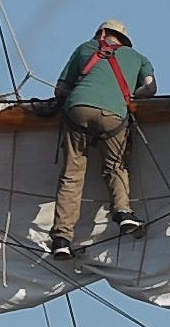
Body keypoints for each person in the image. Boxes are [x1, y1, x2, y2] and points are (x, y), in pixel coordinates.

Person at [45, 18, 154, 257]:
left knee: (72, 175)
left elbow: (60, 89)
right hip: (113, 113)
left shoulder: (84, 48)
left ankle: (62, 238)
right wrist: (127, 95)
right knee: (116, 166)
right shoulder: (138, 57)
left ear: (102, 33)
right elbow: (150, 87)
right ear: (126, 42)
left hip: (78, 109)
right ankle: (123, 212)